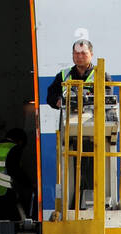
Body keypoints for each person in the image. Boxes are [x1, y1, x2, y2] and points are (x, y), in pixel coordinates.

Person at [46, 39, 110, 210]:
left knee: (90, 172)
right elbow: (50, 96)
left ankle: (90, 206)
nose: (80, 56)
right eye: (76, 53)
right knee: (71, 172)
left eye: (83, 53)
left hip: (93, 133)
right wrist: (59, 101)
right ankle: (72, 206)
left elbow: (108, 97)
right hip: (70, 133)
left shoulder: (100, 74)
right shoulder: (64, 75)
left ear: (91, 55)